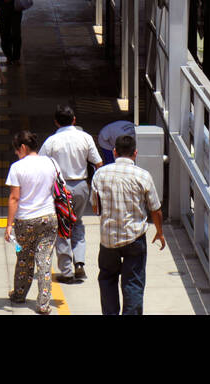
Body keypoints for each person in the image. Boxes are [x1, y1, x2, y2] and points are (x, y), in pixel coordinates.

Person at [89, 133, 165, 316]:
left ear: (114, 152)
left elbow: (95, 207)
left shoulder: (100, 174)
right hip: (134, 238)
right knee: (133, 282)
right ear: (135, 153)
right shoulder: (143, 176)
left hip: (108, 240)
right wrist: (160, 232)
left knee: (107, 279)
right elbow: (156, 210)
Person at [39, 105, 103, 284]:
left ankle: (67, 271)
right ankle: (80, 262)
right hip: (82, 186)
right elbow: (98, 163)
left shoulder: (51, 141)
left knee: (62, 227)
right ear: (74, 119)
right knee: (78, 223)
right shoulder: (85, 137)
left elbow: (41, 164)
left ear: (56, 122)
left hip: (61, 189)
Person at [5, 130, 60, 314]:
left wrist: (9, 225)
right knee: (44, 260)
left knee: (23, 258)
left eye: (16, 149)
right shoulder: (51, 163)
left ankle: (19, 294)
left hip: (24, 221)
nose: (15, 153)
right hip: (49, 218)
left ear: (22, 147)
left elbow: (14, 198)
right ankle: (44, 303)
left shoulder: (17, 167)